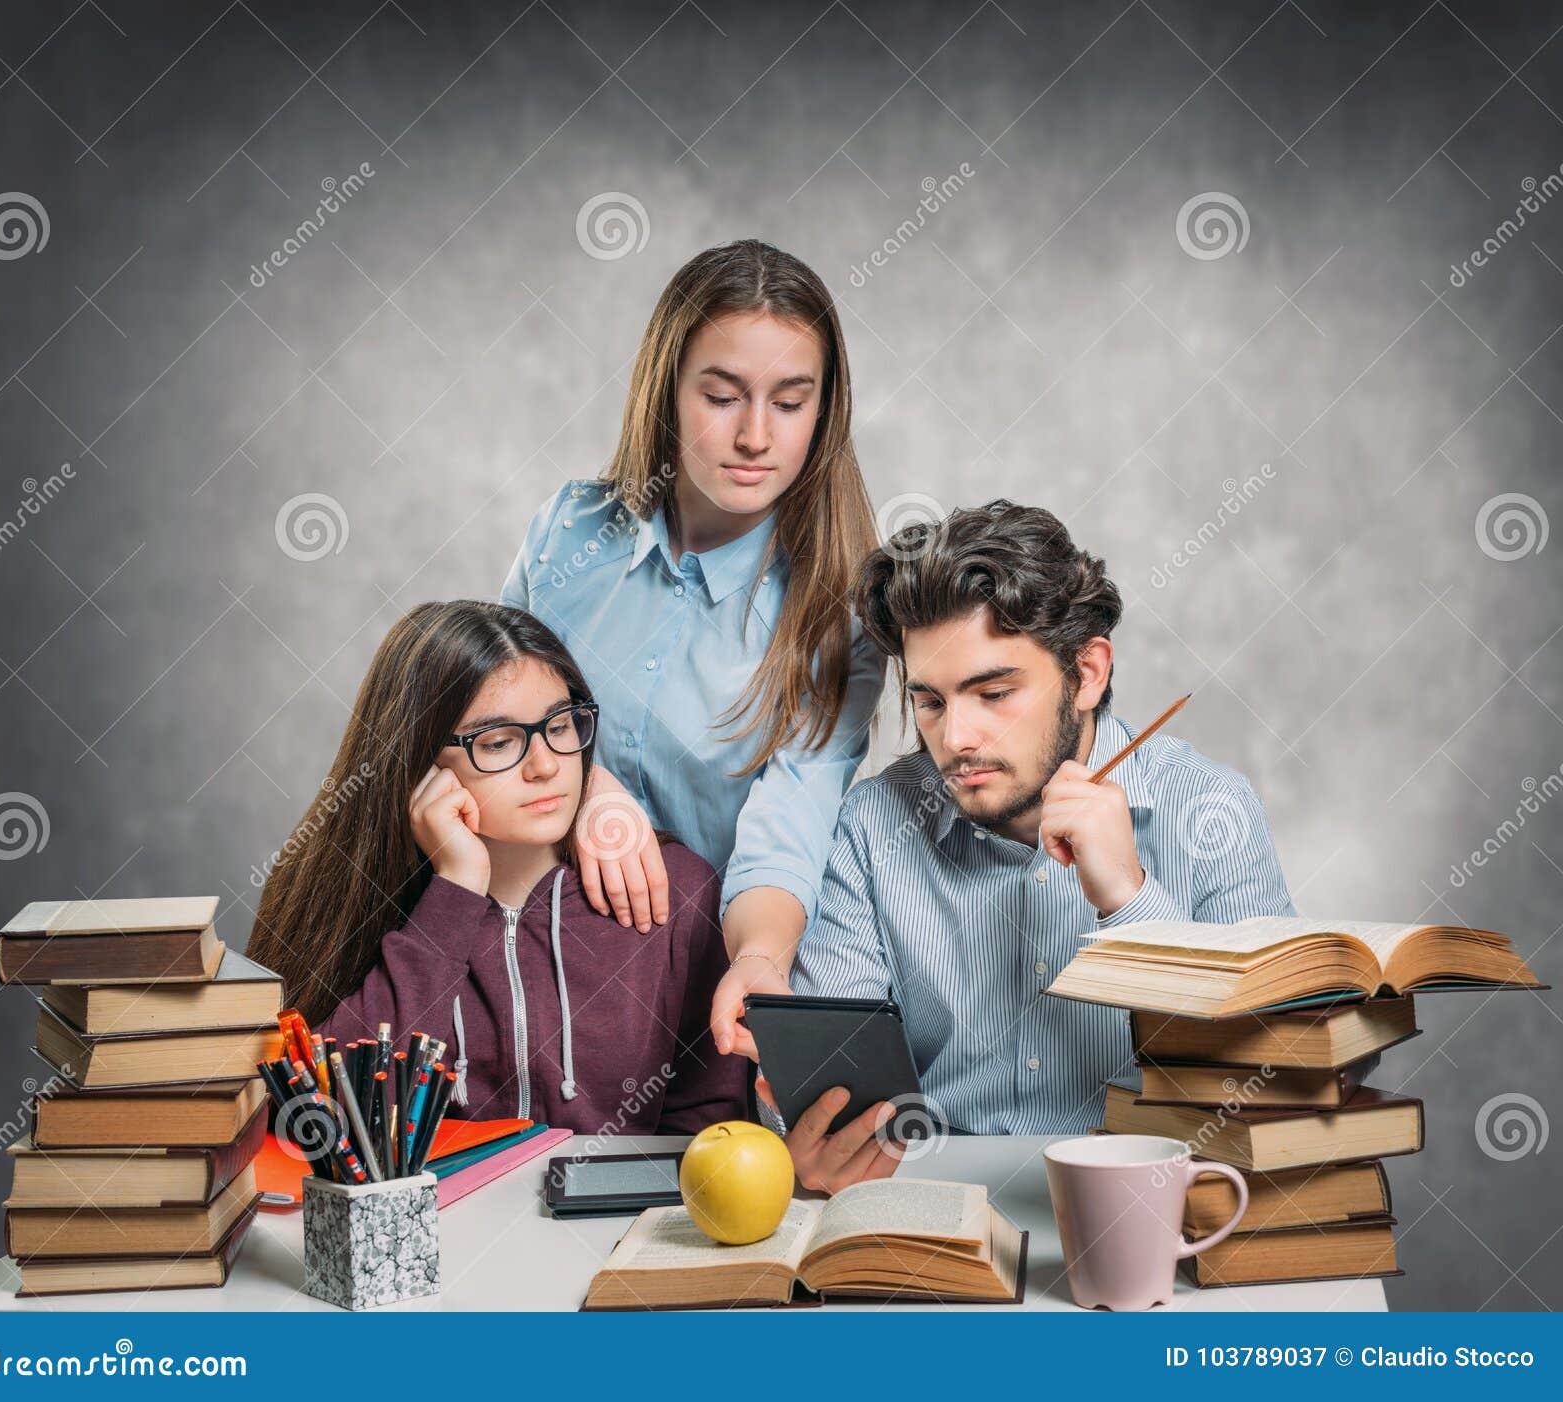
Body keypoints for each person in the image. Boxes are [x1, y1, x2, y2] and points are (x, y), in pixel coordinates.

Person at [759, 501, 1297, 1191]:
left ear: (1089, 674)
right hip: (929, 1211)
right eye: (930, 702)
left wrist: (1131, 902)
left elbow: (1283, 1077)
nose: (956, 738)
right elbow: (819, 1087)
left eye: (993, 692)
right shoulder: (873, 825)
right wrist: (802, 1135)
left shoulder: (1210, 811)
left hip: (1154, 1212)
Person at [501, 238, 885, 1059]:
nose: (755, 435)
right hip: (525, 958)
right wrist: (584, 785)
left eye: (790, 401)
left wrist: (757, 958)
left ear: (825, 412)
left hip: (696, 991)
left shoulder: (837, 612)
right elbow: (474, 711)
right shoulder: (568, 531)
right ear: (667, 391)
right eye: (721, 395)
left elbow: (792, 820)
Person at [246, 601, 747, 1135]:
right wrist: (453, 894)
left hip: (617, 1221)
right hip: (431, 1219)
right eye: (499, 742)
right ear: (419, 759)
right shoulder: (348, 894)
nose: (546, 765)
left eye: (560, 725)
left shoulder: (675, 889)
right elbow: (320, 1126)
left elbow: (711, 1134)